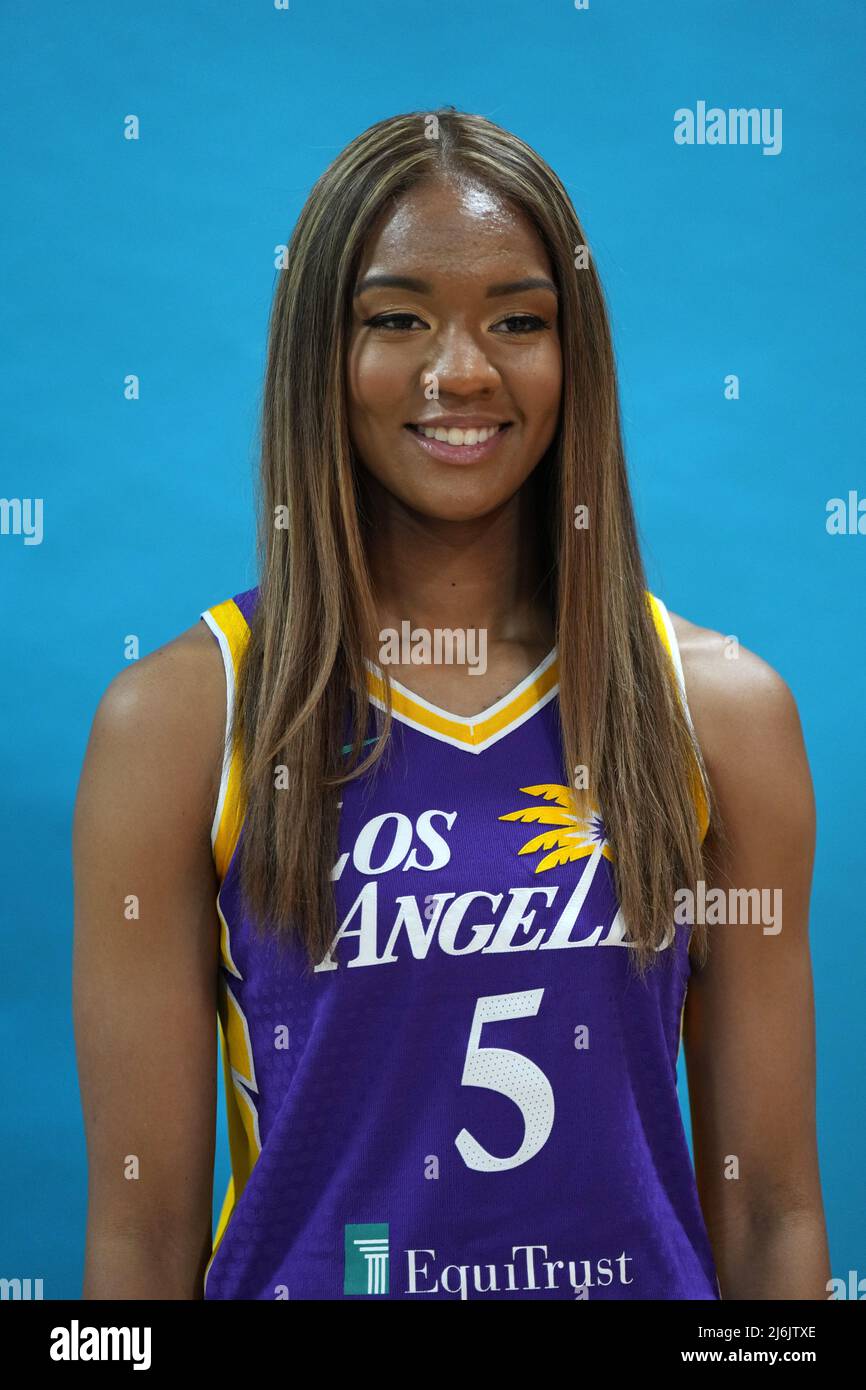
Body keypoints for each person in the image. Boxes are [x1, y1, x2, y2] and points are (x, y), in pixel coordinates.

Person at [73, 108, 829, 1300]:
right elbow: (142, 1240)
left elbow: (772, 1210)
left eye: (517, 320)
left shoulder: (717, 713)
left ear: (573, 355)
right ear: (322, 352)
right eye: (398, 319)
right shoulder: (180, 723)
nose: (460, 369)